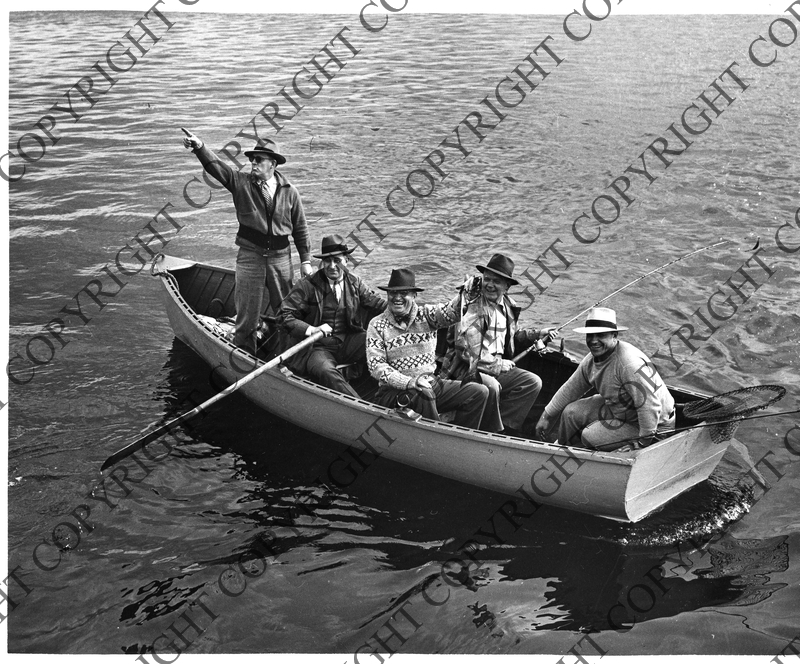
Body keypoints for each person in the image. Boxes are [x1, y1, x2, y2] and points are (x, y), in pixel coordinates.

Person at [182, 130, 313, 352]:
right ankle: (244, 356)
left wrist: (306, 261)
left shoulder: (290, 192)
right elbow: (217, 168)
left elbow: (300, 228)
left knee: (286, 312)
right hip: (250, 257)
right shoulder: (240, 183)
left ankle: (286, 360)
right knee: (247, 316)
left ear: (272, 164)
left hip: (281, 259)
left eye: (259, 159)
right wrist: (199, 147)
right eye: (252, 159)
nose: (253, 162)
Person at [440, 253, 559, 434]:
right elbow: (464, 350)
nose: (489, 284)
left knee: (532, 382)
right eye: (486, 279)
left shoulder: (508, 306)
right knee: (491, 386)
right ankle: (477, 431)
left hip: (495, 366)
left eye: (496, 281)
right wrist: (498, 365)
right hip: (466, 368)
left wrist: (538, 334)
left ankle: (503, 430)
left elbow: (514, 336)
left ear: (507, 286)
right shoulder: (470, 304)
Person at [534, 307, 675, 451]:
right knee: (570, 413)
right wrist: (546, 416)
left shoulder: (629, 364)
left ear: (614, 335)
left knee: (590, 436)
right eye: (590, 335)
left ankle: (583, 450)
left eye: (600, 335)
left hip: (655, 427)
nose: (594, 341)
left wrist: (641, 443)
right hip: (621, 410)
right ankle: (559, 449)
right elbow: (569, 389)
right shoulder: (592, 359)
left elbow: (650, 406)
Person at [366, 268, 490, 429]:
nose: (397, 298)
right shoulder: (376, 325)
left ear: (414, 296)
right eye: (392, 293)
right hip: (392, 392)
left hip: (430, 383)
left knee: (479, 392)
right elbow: (377, 366)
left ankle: (463, 436)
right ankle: (438, 439)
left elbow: (451, 312)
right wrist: (409, 382)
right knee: (424, 393)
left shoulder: (427, 315)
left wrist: (466, 294)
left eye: (403, 293)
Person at [280, 235, 386, 398]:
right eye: (327, 261)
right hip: (316, 347)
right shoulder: (307, 286)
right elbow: (284, 316)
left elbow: (375, 303)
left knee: (383, 344)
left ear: (346, 261)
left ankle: (392, 393)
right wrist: (312, 329)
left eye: (337, 260)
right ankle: (359, 406)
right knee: (325, 370)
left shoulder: (355, 283)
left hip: (348, 341)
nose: (332, 266)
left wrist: (403, 311)